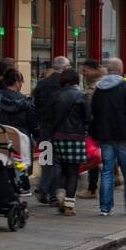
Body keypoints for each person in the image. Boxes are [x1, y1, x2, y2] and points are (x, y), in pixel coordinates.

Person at [90, 58, 126, 216]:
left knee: (107, 171)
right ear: (121, 70)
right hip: (123, 136)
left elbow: (93, 113)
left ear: (108, 70)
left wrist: (94, 135)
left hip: (105, 137)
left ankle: (105, 208)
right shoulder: (125, 87)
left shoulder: (99, 89)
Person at [49, 69, 91, 216]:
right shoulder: (82, 95)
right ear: (76, 80)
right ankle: (68, 205)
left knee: (59, 168)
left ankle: (59, 195)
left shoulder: (55, 95)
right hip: (76, 138)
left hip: (58, 137)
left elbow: (49, 117)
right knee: (73, 172)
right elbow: (88, 117)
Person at [33, 56, 71, 202]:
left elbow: (35, 104)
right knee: (57, 161)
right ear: (66, 68)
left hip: (45, 127)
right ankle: (54, 195)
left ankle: (44, 188)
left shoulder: (42, 84)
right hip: (60, 127)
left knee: (46, 160)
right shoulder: (64, 85)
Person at [75, 59, 106, 199]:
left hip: (96, 126)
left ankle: (92, 189)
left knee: (94, 156)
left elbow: (90, 107)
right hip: (99, 126)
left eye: (86, 70)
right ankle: (93, 187)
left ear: (93, 70)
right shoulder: (97, 82)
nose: (83, 73)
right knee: (97, 156)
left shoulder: (96, 85)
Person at [0, 68, 38, 142]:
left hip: (1, 139)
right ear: (17, 83)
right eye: (22, 82)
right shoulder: (26, 101)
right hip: (22, 140)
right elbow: (33, 125)